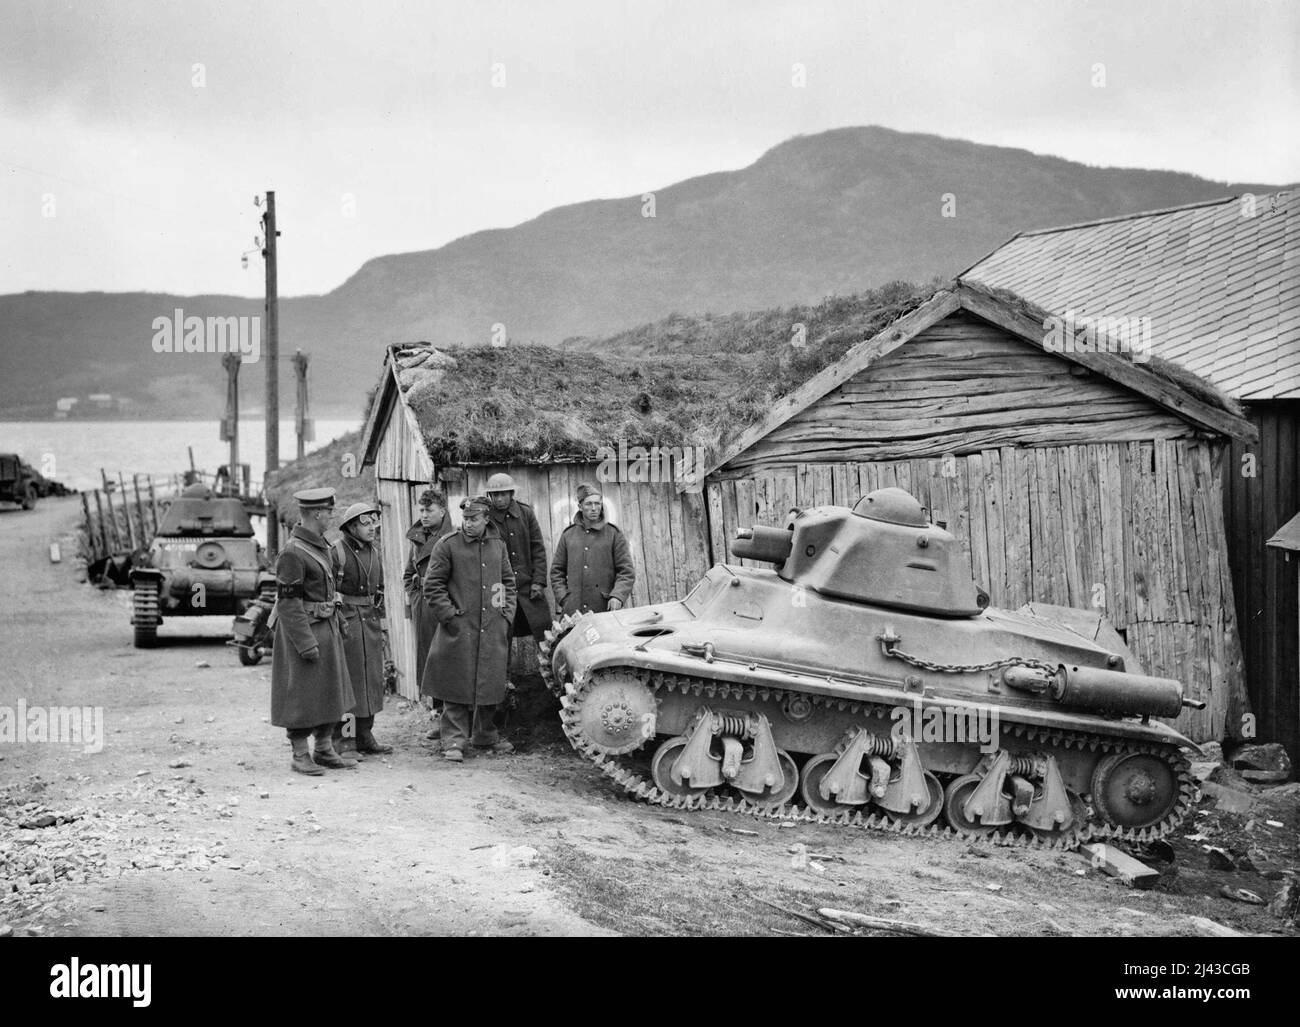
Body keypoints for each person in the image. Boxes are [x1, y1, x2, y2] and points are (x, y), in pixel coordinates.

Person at [421, 496, 517, 763]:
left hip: (491, 627)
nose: (468, 524)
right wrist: (450, 616)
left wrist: (505, 616)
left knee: (490, 682)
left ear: (486, 519)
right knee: (456, 683)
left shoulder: (498, 545)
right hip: (460, 628)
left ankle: (485, 734)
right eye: (465, 519)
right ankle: (453, 740)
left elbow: (506, 583)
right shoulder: (448, 545)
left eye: (474, 519)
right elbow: (433, 585)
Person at [270, 488, 357, 775]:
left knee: (331, 691)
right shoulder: (293, 553)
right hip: (304, 631)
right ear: (317, 513)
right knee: (301, 695)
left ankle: (323, 748)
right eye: (329, 512)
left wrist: (339, 620)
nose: (332, 515)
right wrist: (305, 643)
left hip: (326, 627)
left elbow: (329, 591)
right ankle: (299, 753)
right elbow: (288, 603)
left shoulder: (322, 546)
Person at [333, 501, 393, 756]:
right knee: (350, 679)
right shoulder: (337, 552)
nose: (372, 528)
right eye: (365, 523)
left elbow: (378, 589)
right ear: (351, 527)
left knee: (371, 678)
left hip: (370, 619)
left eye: (373, 522)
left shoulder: (374, 552)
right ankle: (344, 740)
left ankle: (365, 734)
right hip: (347, 620)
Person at [403, 488, 454, 737]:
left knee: (447, 662)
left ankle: (451, 722)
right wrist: (415, 597)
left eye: (429, 510)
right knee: (429, 662)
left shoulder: (452, 537)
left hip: (444, 607)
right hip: (424, 606)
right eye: (421, 510)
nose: (423, 515)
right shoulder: (418, 537)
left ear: (442, 511)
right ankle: (438, 716)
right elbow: (407, 575)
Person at [484, 472, 552, 644]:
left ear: (511, 494)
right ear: (490, 496)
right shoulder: (486, 518)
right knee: (500, 634)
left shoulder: (525, 513)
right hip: (498, 588)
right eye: (495, 495)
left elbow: (537, 548)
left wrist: (538, 581)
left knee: (543, 633)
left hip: (527, 585)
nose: (499, 499)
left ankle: (544, 669)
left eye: (503, 494)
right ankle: (502, 671)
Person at [550, 483, 635, 616]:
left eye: (597, 504)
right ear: (580, 507)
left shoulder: (613, 534)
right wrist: (564, 598)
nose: (594, 508)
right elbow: (556, 572)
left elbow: (626, 571)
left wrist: (618, 596)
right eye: (589, 504)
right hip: (573, 609)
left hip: (604, 608)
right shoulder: (568, 535)